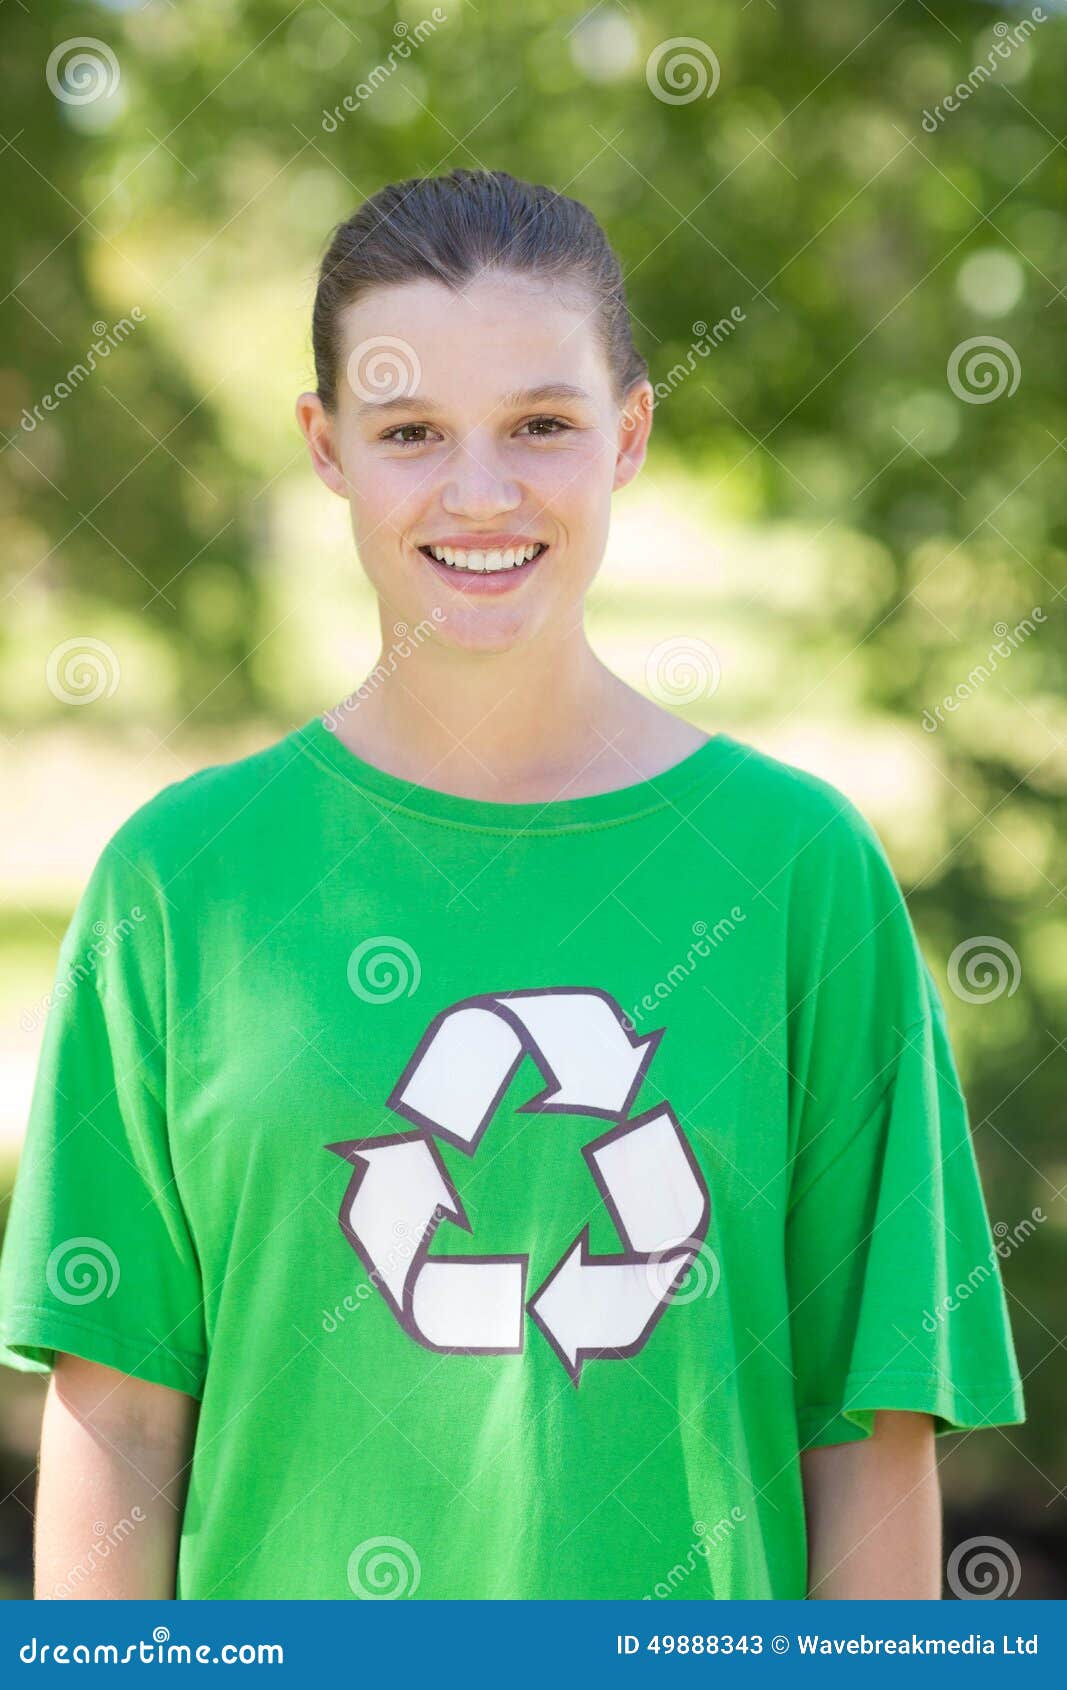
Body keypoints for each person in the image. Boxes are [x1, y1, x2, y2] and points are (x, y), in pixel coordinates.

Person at [0, 169, 1023, 1601]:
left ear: (632, 432)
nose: (480, 494)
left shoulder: (798, 873)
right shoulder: (182, 886)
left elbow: (871, 1426)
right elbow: (118, 1420)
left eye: (542, 424)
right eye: (411, 431)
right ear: (328, 446)